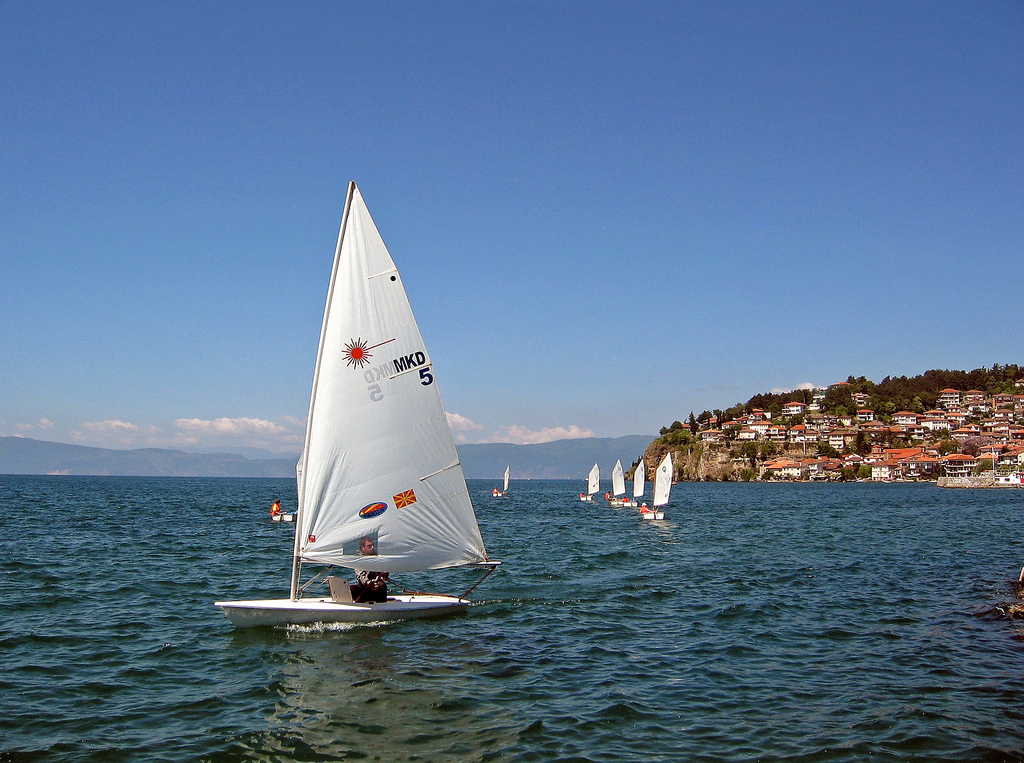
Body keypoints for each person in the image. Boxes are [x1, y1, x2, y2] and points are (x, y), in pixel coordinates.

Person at [351, 536, 389, 603]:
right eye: (369, 546)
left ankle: (382, 608)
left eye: (373, 545)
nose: (372, 547)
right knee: (351, 589)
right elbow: (360, 575)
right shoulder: (357, 560)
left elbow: (383, 567)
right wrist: (367, 582)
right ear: (363, 548)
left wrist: (385, 573)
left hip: (376, 587)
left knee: (382, 585)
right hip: (363, 587)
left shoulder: (377, 557)